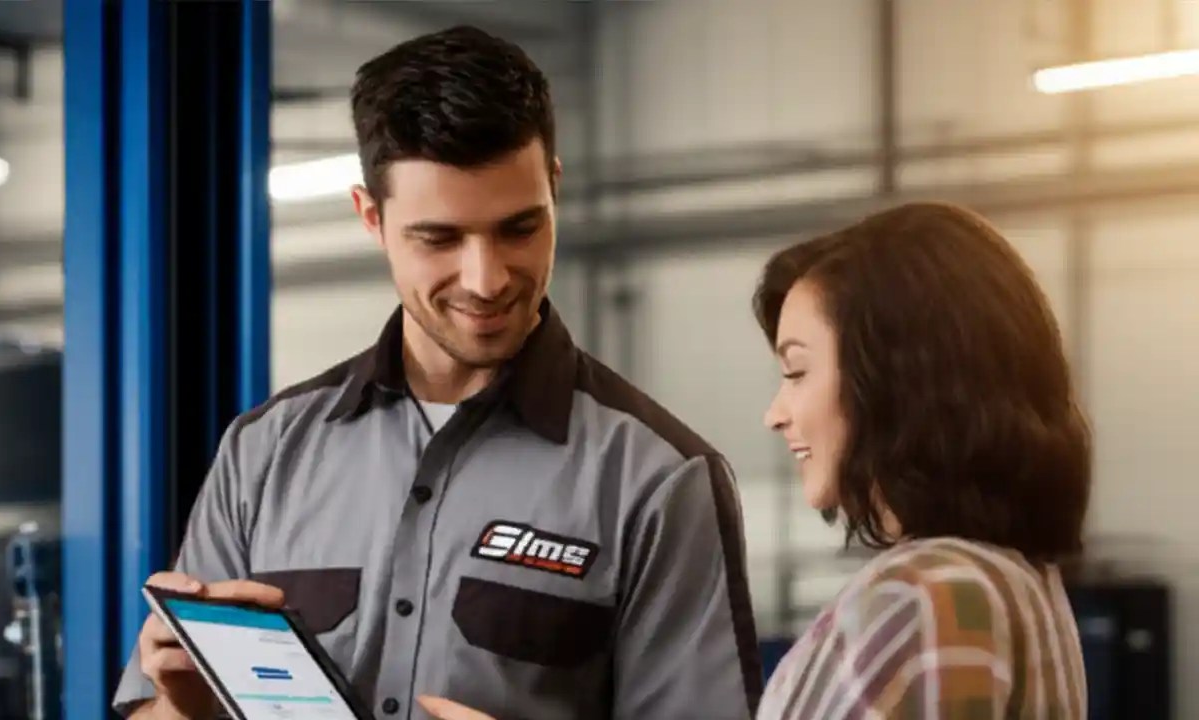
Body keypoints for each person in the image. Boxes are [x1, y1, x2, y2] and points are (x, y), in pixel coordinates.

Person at [113, 25, 763, 720]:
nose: (486, 279)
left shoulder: (662, 480)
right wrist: (182, 707)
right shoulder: (263, 454)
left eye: (519, 229)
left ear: (555, 190)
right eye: (440, 238)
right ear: (371, 217)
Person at [422, 202, 1092, 719]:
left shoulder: (922, 596)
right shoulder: (1023, 586)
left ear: (897, 380)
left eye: (797, 372)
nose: (776, 412)